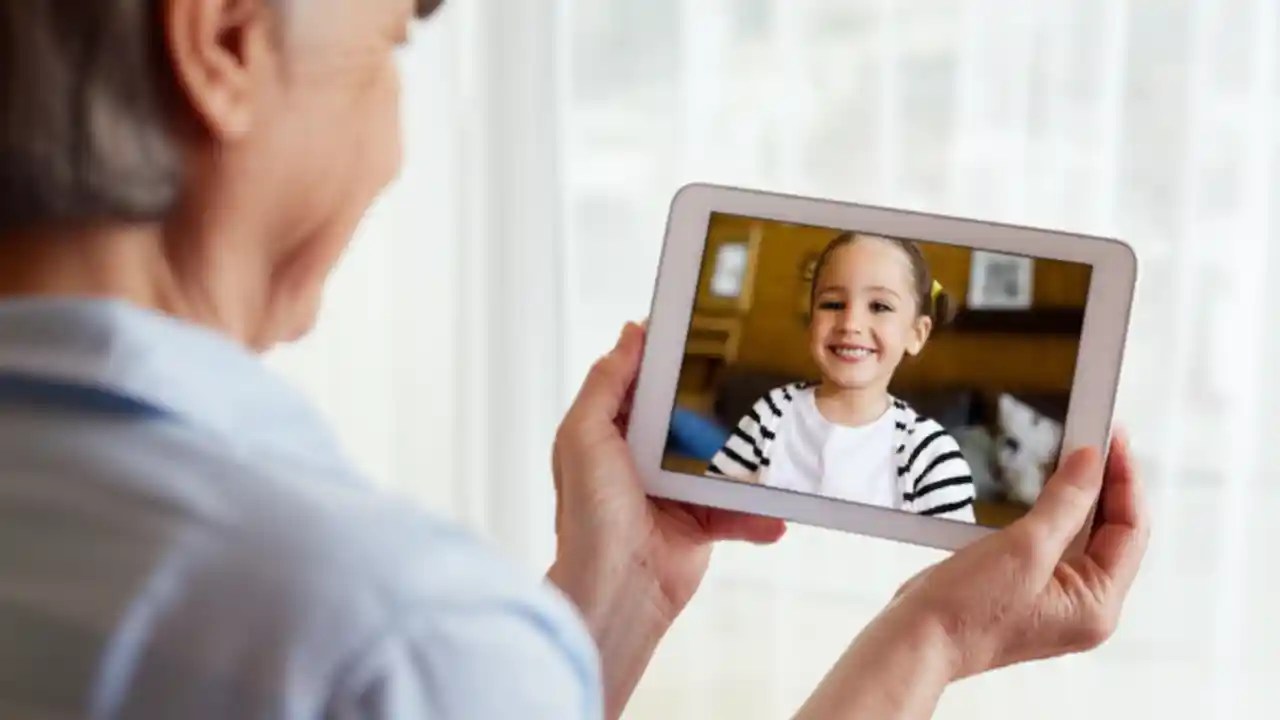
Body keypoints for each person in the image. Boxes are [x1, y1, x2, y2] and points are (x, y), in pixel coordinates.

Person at [0, 2, 1148, 719]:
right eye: (390, 44)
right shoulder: (378, 631)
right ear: (223, 42)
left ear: (913, 336)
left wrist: (623, 587)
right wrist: (931, 639)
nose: (394, 132)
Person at [709, 232, 977, 522]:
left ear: (916, 334)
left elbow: (954, 565)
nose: (850, 323)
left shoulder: (931, 454)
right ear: (812, 320)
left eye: (879, 306)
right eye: (833, 304)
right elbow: (711, 518)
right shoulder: (771, 414)